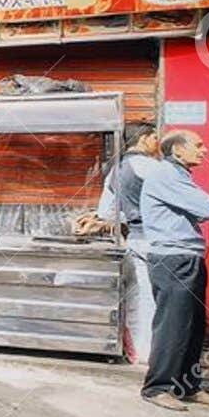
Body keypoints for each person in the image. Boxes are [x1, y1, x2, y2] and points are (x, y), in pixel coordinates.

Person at [138, 129, 209, 410]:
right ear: (177, 151)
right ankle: (157, 388)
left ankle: (188, 385)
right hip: (173, 259)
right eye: (197, 146)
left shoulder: (178, 177)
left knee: (194, 326)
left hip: (187, 256)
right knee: (173, 325)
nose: (203, 151)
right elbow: (207, 207)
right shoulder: (165, 175)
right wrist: (202, 206)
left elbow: (202, 209)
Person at [74, 122, 160, 362]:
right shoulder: (155, 168)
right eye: (155, 137)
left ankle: (140, 352)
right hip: (158, 241)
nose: (158, 143)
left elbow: (107, 211)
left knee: (138, 298)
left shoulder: (116, 169)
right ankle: (154, 353)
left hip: (134, 240)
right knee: (154, 299)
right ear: (143, 139)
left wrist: (100, 222)